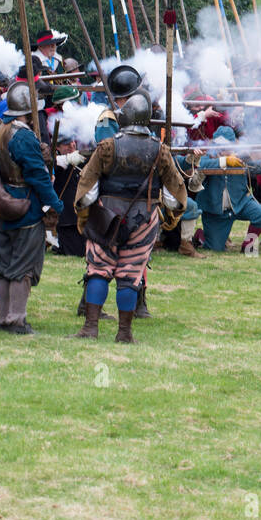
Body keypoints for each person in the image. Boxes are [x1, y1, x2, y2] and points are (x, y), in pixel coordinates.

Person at [71, 92, 189, 343]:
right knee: (130, 274)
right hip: (144, 219)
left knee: (98, 270)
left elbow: (87, 187)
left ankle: (91, 328)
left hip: (105, 216)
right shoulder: (161, 150)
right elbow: (175, 194)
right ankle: (124, 333)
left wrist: (85, 217)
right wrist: (169, 218)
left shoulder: (107, 146)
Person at [0, 82, 63, 335]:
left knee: (4, 263)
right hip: (25, 205)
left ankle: (3, 317)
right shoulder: (22, 136)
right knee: (23, 265)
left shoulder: (1, 130)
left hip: (3, 200)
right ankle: (15, 319)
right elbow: (37, 176)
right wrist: (54, 203)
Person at [193, 126, 261, 252]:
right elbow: (202, 165)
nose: (223, 149)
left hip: (240, 203)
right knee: (214, 249)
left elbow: (254, 168)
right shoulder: (207, 155)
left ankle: (248, 246)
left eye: (226, 145)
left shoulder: (241, 156)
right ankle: (200, 235)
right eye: (220, 145)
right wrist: (225, 161)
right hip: (215, 211)